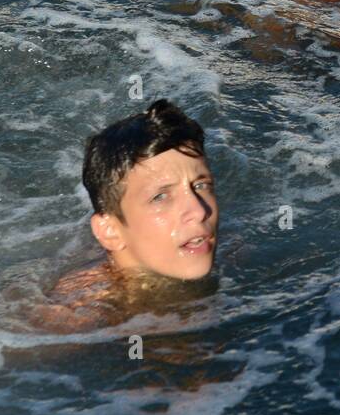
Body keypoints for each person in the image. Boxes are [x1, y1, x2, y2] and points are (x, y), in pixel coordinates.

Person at [30, 99, 218, 333]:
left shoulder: (233, 252)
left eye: (201, 186)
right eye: (160, 197)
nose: (200, 212)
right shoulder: (76, 315)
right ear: (110, 232)